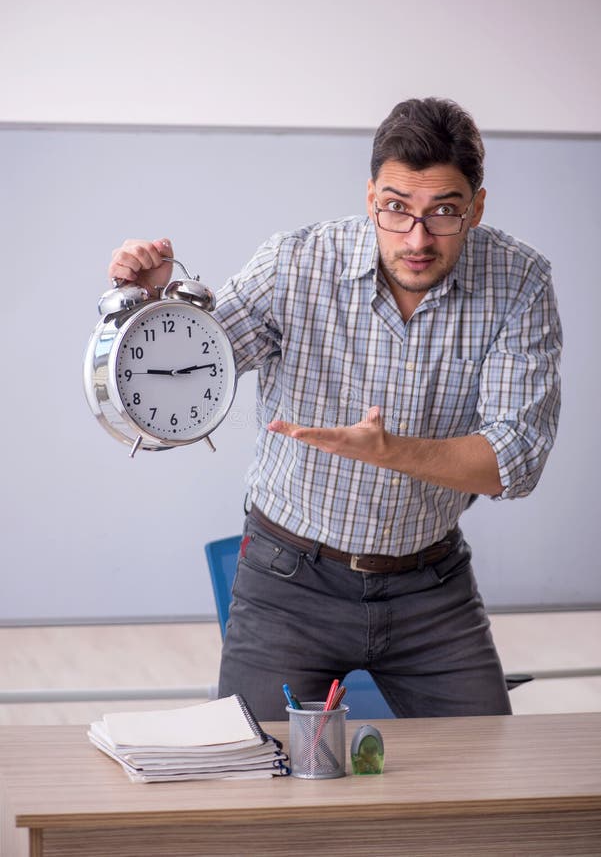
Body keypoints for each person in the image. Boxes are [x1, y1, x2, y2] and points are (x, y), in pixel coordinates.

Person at [108, 97, 562, 721]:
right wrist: (150, 307)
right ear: (370, 195)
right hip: (287, 581)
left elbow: (516, 461)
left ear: (477, 206)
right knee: (255, 781)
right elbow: (182, 380)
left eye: (445, 213)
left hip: (431, 588)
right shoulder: (293, 264)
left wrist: (389, 452)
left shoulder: (520, 282)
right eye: (397, 209)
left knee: (486, 779)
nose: (417, 238)